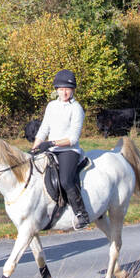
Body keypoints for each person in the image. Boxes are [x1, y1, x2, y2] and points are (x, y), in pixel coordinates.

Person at [31, 69, 90, 229]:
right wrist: (35, 146)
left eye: (67, 89)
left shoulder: (76, 108)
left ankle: (81, 213)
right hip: (51, 149)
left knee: (65, 180)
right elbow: (44, 129)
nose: (64, 92)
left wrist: (51, 143)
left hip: (69, 151)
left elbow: (73, 139)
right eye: (61, 89)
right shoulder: (51, 106)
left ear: (72, 90)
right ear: (56, 89)